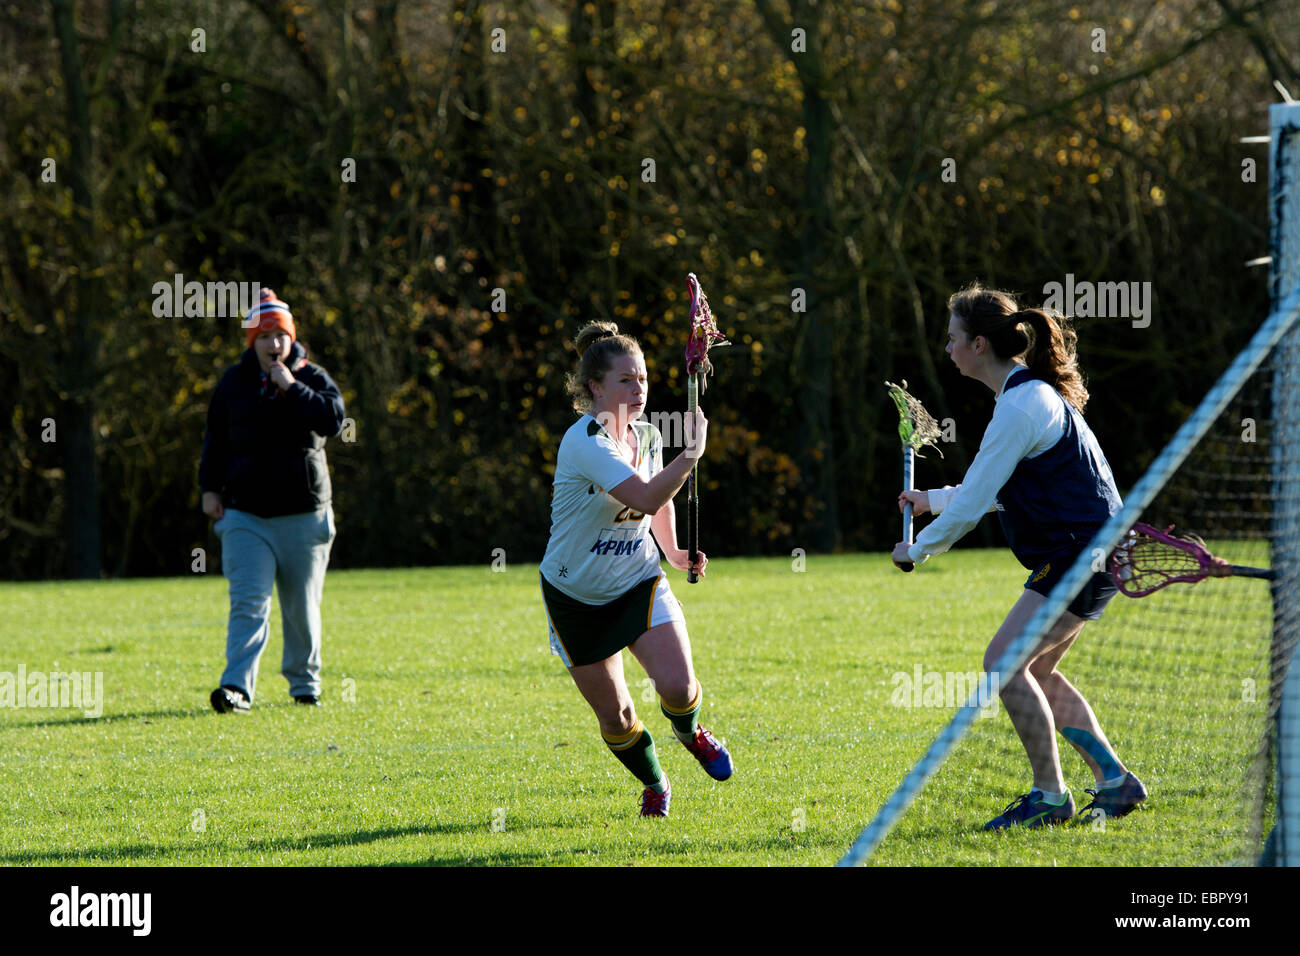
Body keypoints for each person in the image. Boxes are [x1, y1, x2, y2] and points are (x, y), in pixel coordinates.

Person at [892, 282, 1146, 829]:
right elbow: (998, 487)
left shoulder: (1020, 406)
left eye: (954, 338)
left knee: (1003, 663)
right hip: (1097, 552)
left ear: (980, 344)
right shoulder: (1024, 398)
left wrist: (917, 549)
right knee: (1039, 670)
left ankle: (1050, 798)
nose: (948, 348)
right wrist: (930, 500)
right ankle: (1116, 782)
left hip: (1083, 553)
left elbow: (979, 499)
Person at [539, 321, 733, 817]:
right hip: (576, 598)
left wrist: (672, 551)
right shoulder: (585, 442)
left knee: (680, 687)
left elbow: (659, 503)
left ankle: (690, 733)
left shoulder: (646, 434)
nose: (640, 387)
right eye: (626, 379)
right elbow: (645, 496)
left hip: (637, 580)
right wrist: (692, 454)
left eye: (643, 377)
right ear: (595, 388)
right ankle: (656, 784)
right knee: (618, 716)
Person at [199, 287, 345, 714]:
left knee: (300, 609)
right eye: (264, 336)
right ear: (252, 342)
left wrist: (293, 388)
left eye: (279, 335)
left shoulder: (312, 377)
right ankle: (237, 689)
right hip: (247, 515)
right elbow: (216, 439)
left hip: (305, 516)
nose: (273, 344)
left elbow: (333, 420)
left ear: (291, 337)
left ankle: (305, 686)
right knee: (248, 602)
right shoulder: (233, 383)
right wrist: (210, 488)